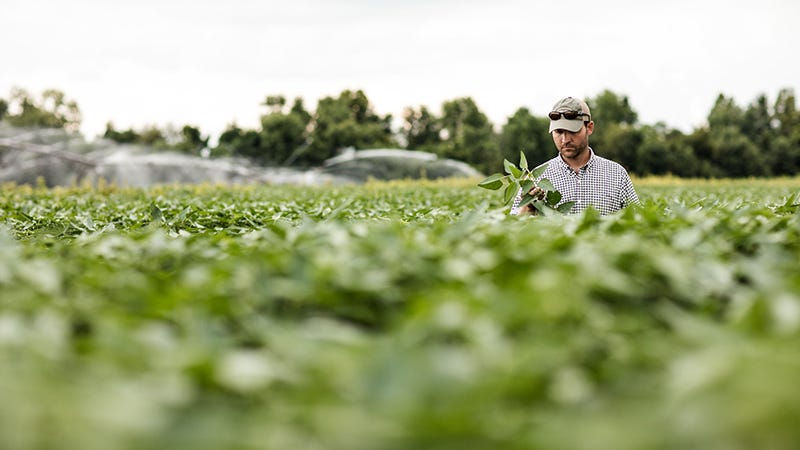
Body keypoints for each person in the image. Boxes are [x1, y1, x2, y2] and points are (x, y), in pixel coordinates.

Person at [511, 96, 639, 215]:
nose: (565, 139)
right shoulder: (536, 178)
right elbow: (510, 228)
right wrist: (527, 209)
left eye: (572, 131)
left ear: (589, 127)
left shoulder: (616, 174)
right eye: (559, 132)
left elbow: (639, 222)